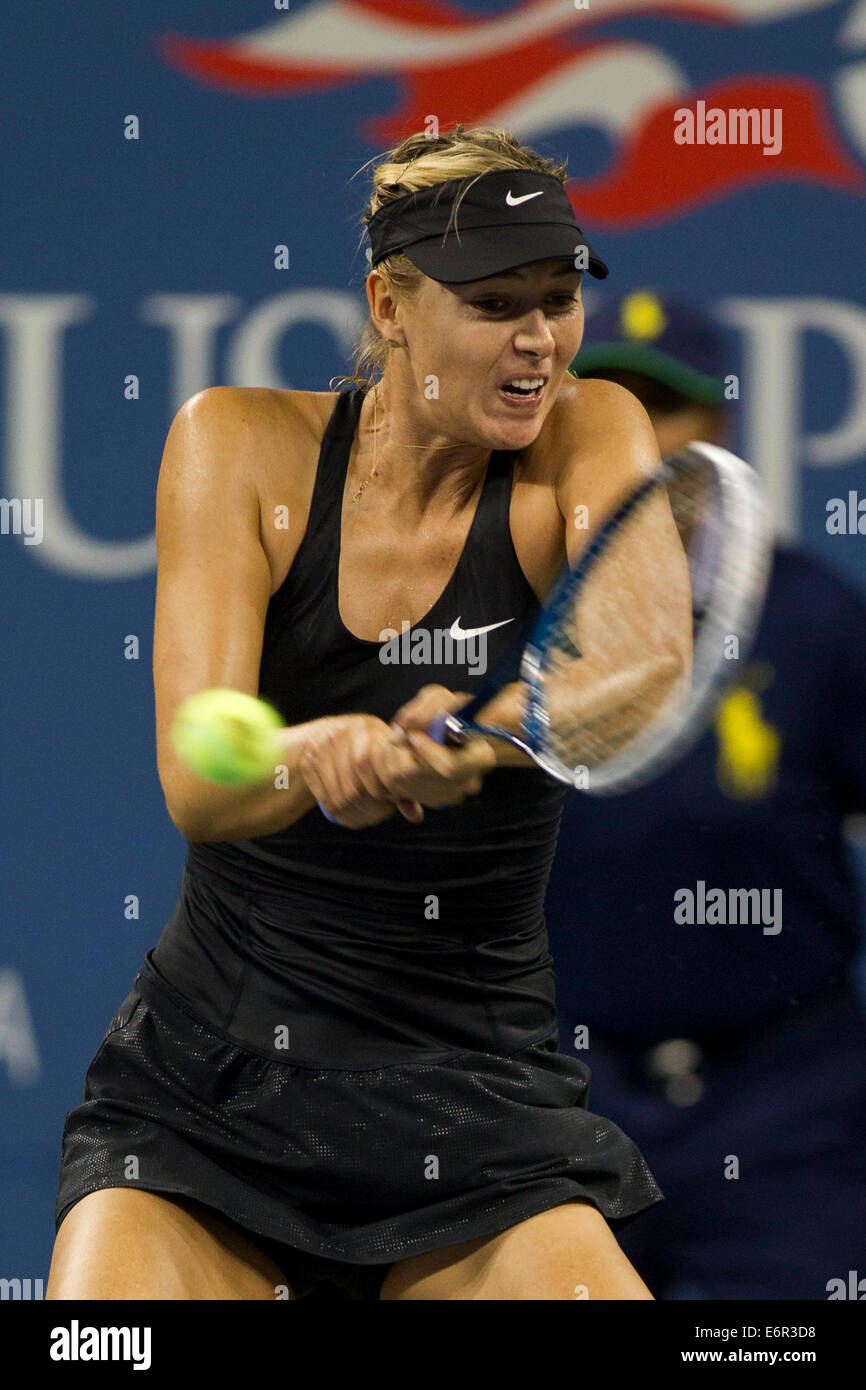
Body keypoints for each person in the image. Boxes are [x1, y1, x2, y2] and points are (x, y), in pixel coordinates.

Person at [45, 127, 691, 1302]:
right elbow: (199, 780)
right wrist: (310, 754)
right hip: (204, 1096)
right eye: (494, 303)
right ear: (387, 305)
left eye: (557, 298)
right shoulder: (234, 443)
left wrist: (481, 732)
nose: (538, 340)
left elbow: (640, 665)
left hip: (477, 1102)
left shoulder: (592, 436)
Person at [546, 290, 866, 1300]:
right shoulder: (502, 620)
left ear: (716, 431)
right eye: (609, 408)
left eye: (665, 410)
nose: (639, 443)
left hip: (786, 1110)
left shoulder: (817, 622)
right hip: (555, 1105)